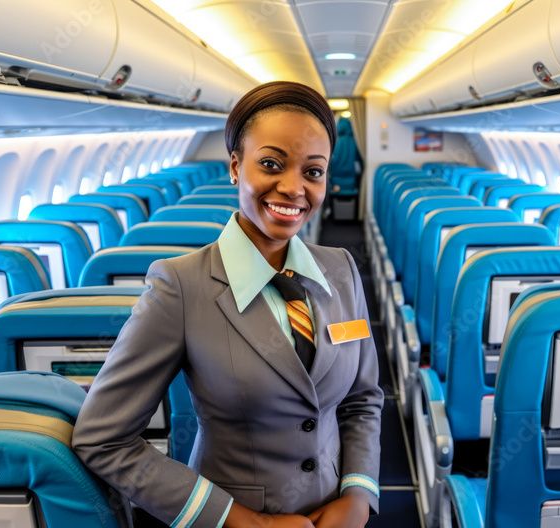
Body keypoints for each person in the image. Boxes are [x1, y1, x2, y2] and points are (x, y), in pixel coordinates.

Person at [73, 81, 382, 528]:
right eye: (272, 164)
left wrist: (358, 491)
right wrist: (245, 522)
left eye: (313, 172)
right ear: (235, 166)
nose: (294, 187)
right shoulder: (180, 286)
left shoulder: (341, 269)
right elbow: (104, 439)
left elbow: (362, 399)